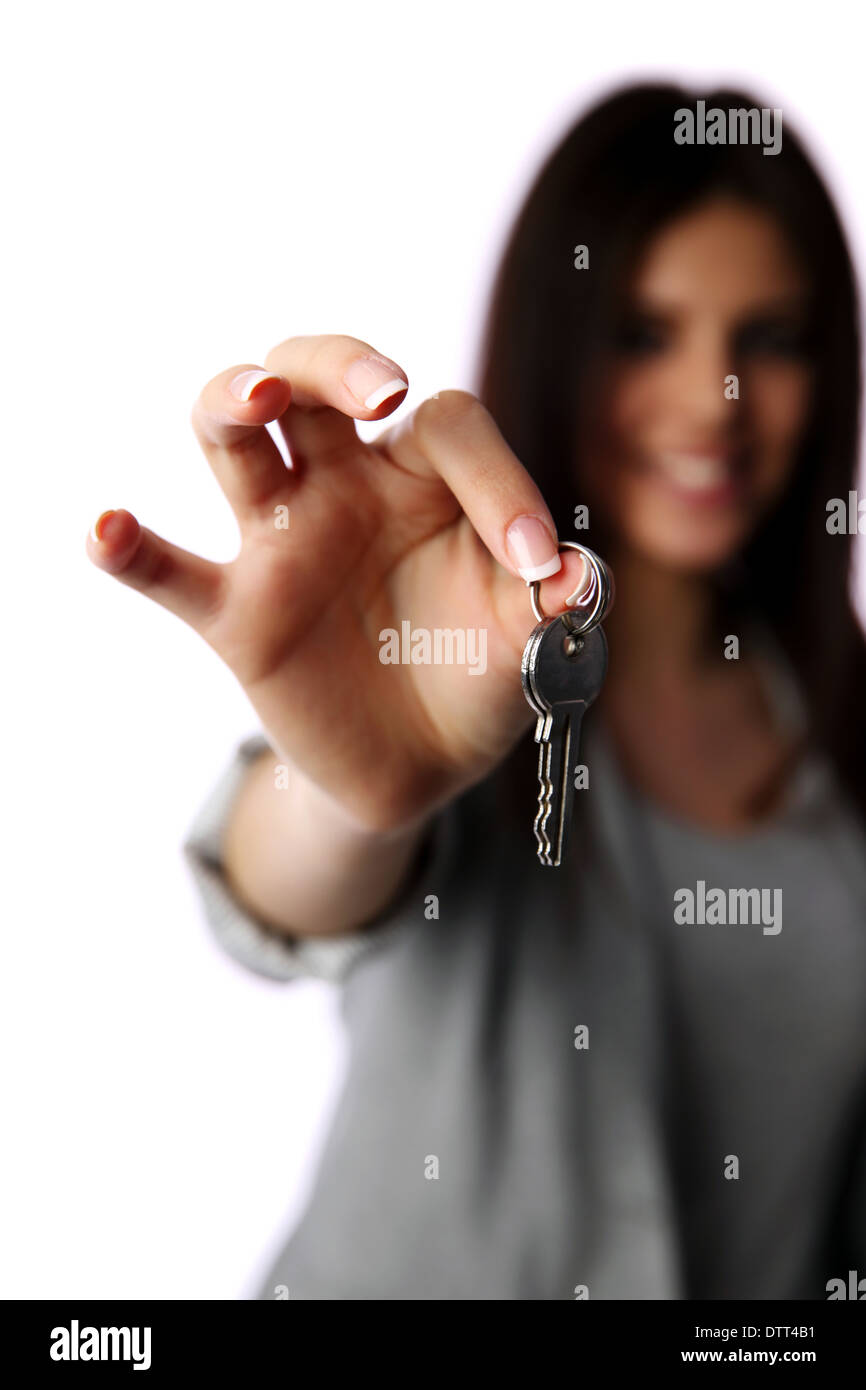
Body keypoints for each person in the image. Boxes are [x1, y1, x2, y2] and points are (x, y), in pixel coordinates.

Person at [86, 82, 866, 1300]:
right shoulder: (467, 645)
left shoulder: (847, 738)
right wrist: (353, 789)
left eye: (766, 340)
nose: (713, 401)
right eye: (644, 333)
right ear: (559, 337)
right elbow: (282, 887)